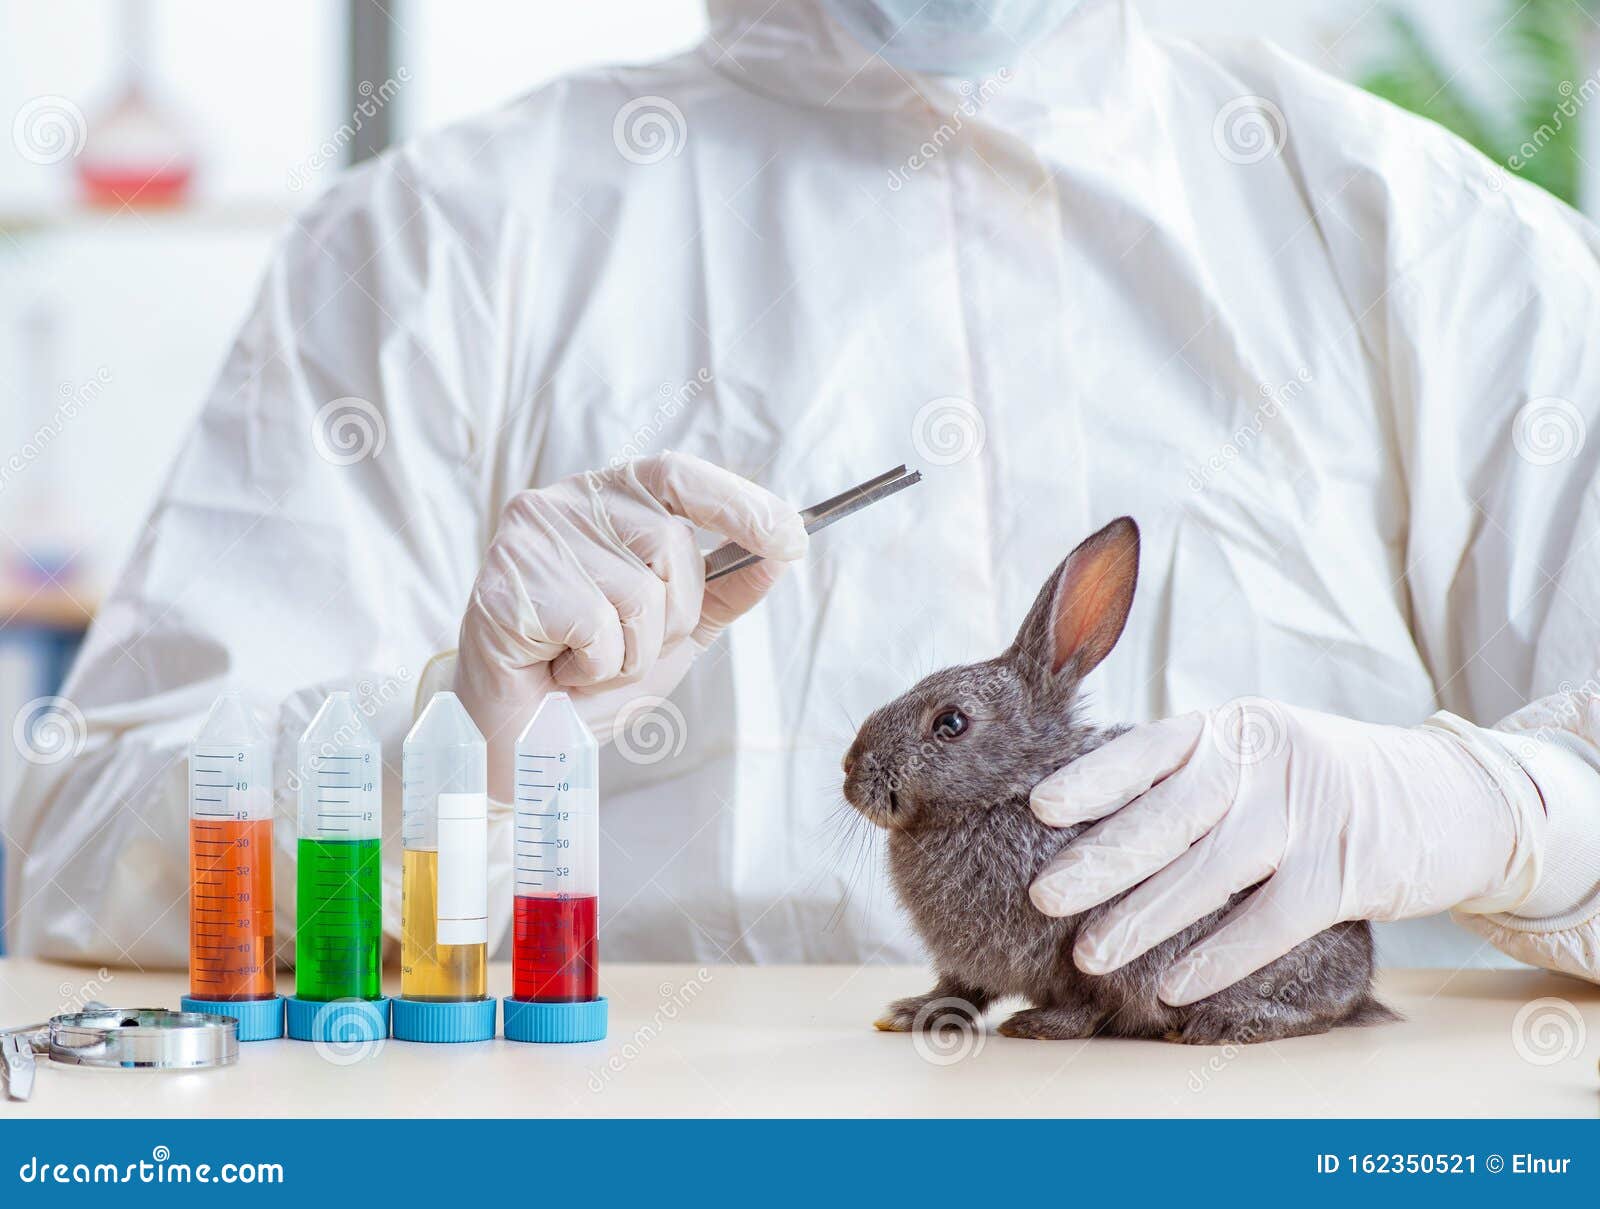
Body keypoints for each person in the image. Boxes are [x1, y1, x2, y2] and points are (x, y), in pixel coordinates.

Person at [9, 0, 1600, 999]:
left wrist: (1502, 815)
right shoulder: (428, 245)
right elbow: (72, 838)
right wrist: (452, 742)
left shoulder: (1437, 242)